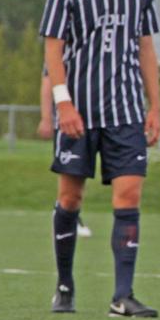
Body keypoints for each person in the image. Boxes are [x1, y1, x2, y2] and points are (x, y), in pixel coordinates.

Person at [39, 0, 160, 317]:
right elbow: (53, 49)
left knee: (129, 192)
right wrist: (63, 104)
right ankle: (64, 285)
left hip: (126, 111)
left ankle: (122, 297)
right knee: (70, 198)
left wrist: (155, 107)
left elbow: (146, 49)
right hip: (78, 114)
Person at [38, 71, 92, 238]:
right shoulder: (60, 47)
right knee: (70, 176)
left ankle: (70, 215)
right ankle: (69, 217)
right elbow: (48, 79)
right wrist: (46, 118)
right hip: (70, 120)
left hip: (103, 116)